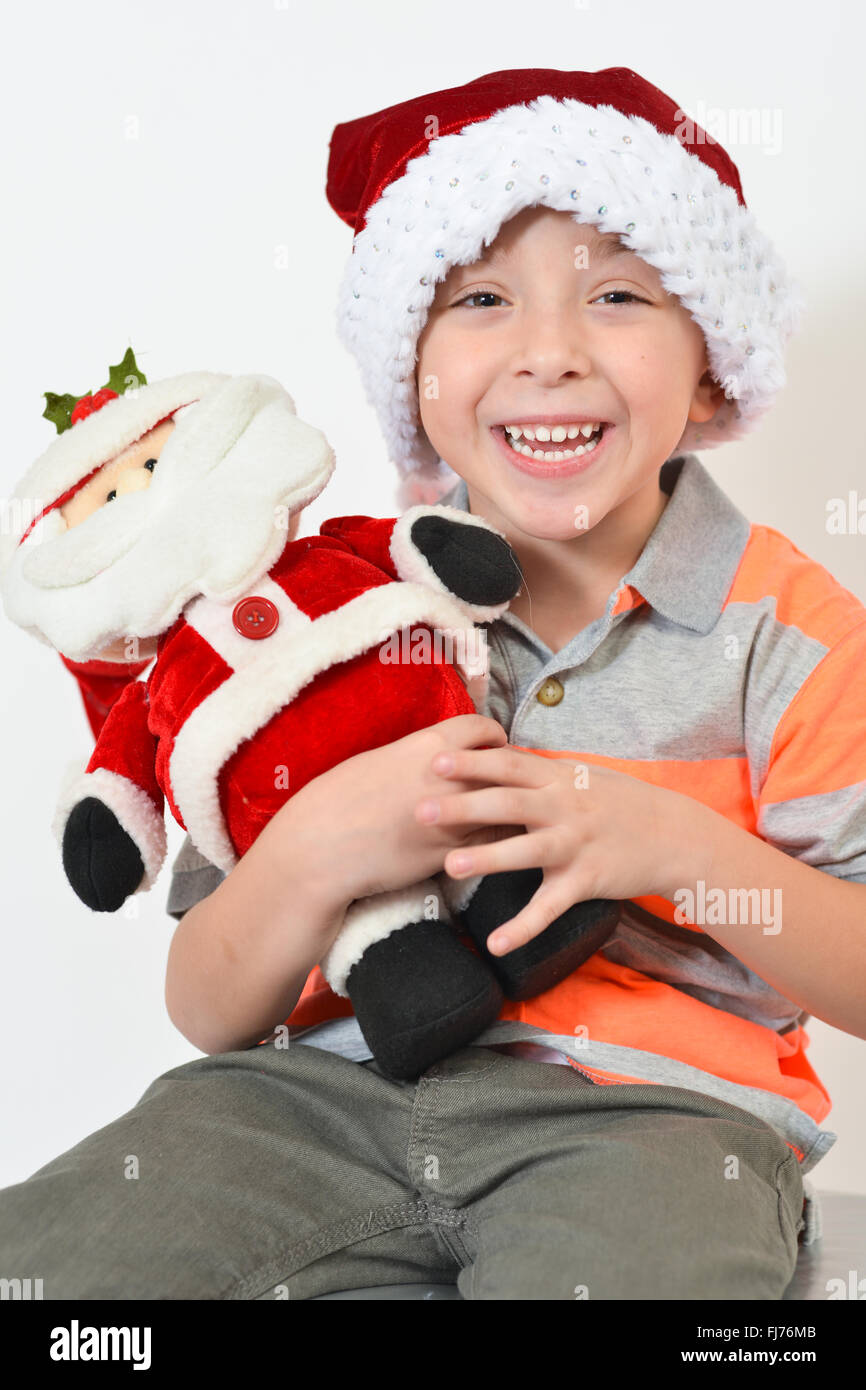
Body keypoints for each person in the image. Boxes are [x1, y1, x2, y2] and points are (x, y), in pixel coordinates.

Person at [2, 66, 863, 1301]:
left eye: (614, 294)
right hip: (312, 1100)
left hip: (652, 1127)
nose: (548, 354)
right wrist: (307, 856)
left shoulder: (792, 632)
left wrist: (672, 847)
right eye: (481, 300)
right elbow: (206, 1003)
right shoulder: (313, 602)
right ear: (410, 372)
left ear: (712, 369)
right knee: (45, 1274)